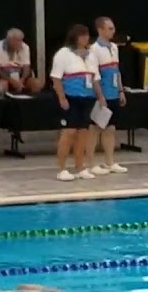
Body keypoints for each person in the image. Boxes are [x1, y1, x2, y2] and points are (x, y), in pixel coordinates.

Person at [50, 24, 105, 182]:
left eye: (87, 35)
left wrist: (100, 97)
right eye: (82, 36)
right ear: (75, 37)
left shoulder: (91, 55)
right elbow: (56, 78)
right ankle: (62, 168)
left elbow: (95, 78)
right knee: (69, 132)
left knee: (83, 133)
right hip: (70, 97)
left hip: (87, 98)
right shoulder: (63, 54)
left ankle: (80, 166)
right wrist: (61, 98)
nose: (85, 38)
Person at [85, 17, 128, 176]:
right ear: (100, 30)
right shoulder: (94, 49)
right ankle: (90, 163)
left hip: (113, 93)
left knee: (110, 128)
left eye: (113, 28)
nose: (113, 31)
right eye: (109, 28)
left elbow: (116, 71)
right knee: (95, 129)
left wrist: (121, 91)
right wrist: (100, 96)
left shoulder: (114, 47)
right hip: (101, 94)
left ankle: (110, 162)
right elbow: (94, 75)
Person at [0, 28, 41, 95]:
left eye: (21, 40)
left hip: (20, 77)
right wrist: (12, 81)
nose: (20, 43)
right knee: (2, 86)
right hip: (4, 77)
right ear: (9, 40)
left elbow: (26, 67)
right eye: (17, 41)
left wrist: (21, 80)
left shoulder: (25, 47)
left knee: (36, 83)